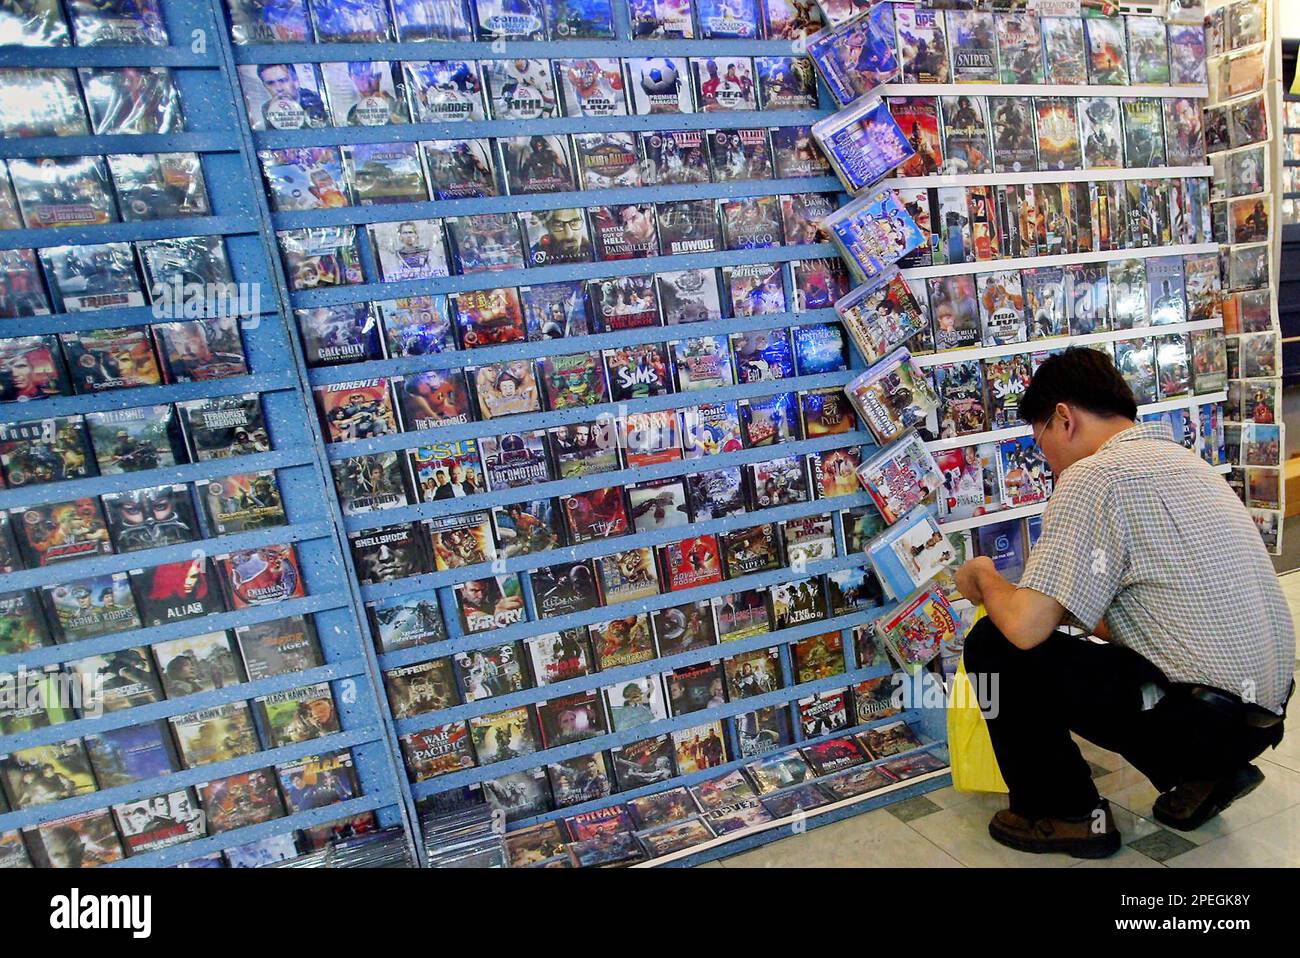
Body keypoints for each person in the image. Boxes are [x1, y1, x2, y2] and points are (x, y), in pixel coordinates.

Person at [956, 348, 1294, 858]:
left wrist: (983, 576)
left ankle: (1065, 813)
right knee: (1085, 647)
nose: (1043, 457)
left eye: (1039, 438)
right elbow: (1142, 615)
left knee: (993, 645)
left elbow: (1025, 629)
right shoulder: (1184, 461)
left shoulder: (1095, 477)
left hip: (1199, 720)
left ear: (1064, 419)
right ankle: (1204, 774)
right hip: (1261, 716)